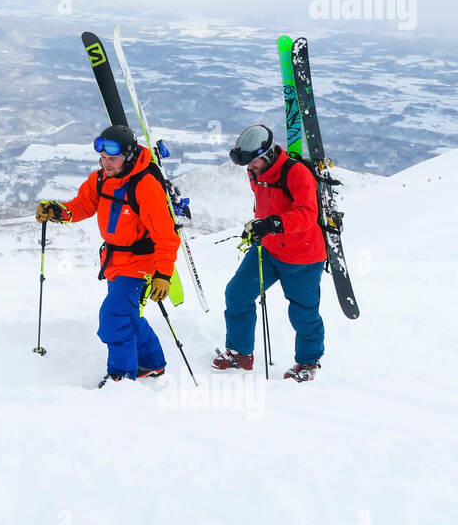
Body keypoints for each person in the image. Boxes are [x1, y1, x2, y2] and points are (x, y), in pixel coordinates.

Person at [36, 124, 180, 384]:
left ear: (127, 156)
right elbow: (82, 205)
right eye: (102, 158)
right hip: (115, 261)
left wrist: (164, 275)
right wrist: (59, 212)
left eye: (111, 158)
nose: (106, 163)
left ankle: (121, 375)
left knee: (113, 317)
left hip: (140, 263)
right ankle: (151, 363)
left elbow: (166, 235)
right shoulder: (101, 178)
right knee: (128, 316)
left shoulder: (145, 185)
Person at [213, 124, 326, 382]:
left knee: (303, 311)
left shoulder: (297, 174)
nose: (249, 169)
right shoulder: (256, 173)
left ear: (268, 155)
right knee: (237, 293)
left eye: (253, 163)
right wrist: (259, 226)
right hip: (268, 248)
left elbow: (308, 215)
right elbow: (265, 206)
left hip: (303, 256)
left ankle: (308, 362)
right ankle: (241, 353)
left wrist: (274, 224)